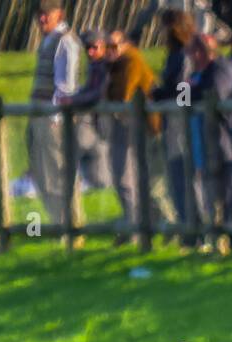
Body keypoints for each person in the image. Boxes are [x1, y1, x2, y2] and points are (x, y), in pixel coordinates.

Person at [103, 29, 174, 242]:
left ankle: (171, 225)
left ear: (126, 45)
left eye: (114, 47)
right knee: (142, 180)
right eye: (107, 47)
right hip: (136, 129)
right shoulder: (116, 65)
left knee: (154, 182)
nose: (109, 51)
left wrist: (110, 103)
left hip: (150, 128)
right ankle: (152, 227)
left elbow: (124, 95)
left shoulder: (132, 61)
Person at [28, 1, 82, 227]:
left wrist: (55, 117)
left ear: (59, 13)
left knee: (57, 173)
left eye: (47, 14)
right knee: (42, 173)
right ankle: (60, 222)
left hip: (52, 119)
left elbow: (66, 86)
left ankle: (68, 224)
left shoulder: (65, 41)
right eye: (39, 14)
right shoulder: (49, 41)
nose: (42, 19)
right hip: (40, 115)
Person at [184, 31, 232, 249]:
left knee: (224, 193)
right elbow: (182, 99)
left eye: (197, 51)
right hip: (201, 144)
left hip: (221, 143)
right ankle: (214, 239)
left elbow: (215, 94)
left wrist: (193, 89)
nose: (194, 56)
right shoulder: (195, 74)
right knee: (208, 193)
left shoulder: (221, 68)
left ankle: (227, 239)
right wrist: (189, 87)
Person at [153, 9, 196, 237]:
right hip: (173, 120)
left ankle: (190, 230)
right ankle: (185, 227)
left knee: (182, 176)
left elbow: (182, 92)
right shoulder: (175, 54)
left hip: (180, 122)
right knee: (175, 178)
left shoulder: (183, 55)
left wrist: (158, 93)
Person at [63, 29, 111, 190]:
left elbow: (99, 92)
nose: (90, 52)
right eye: (87, 48)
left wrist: (74, 100)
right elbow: (89, 89)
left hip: (109, 122)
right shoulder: (95, 66)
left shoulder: (107, 66)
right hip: (97, 121)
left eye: (94, 47)